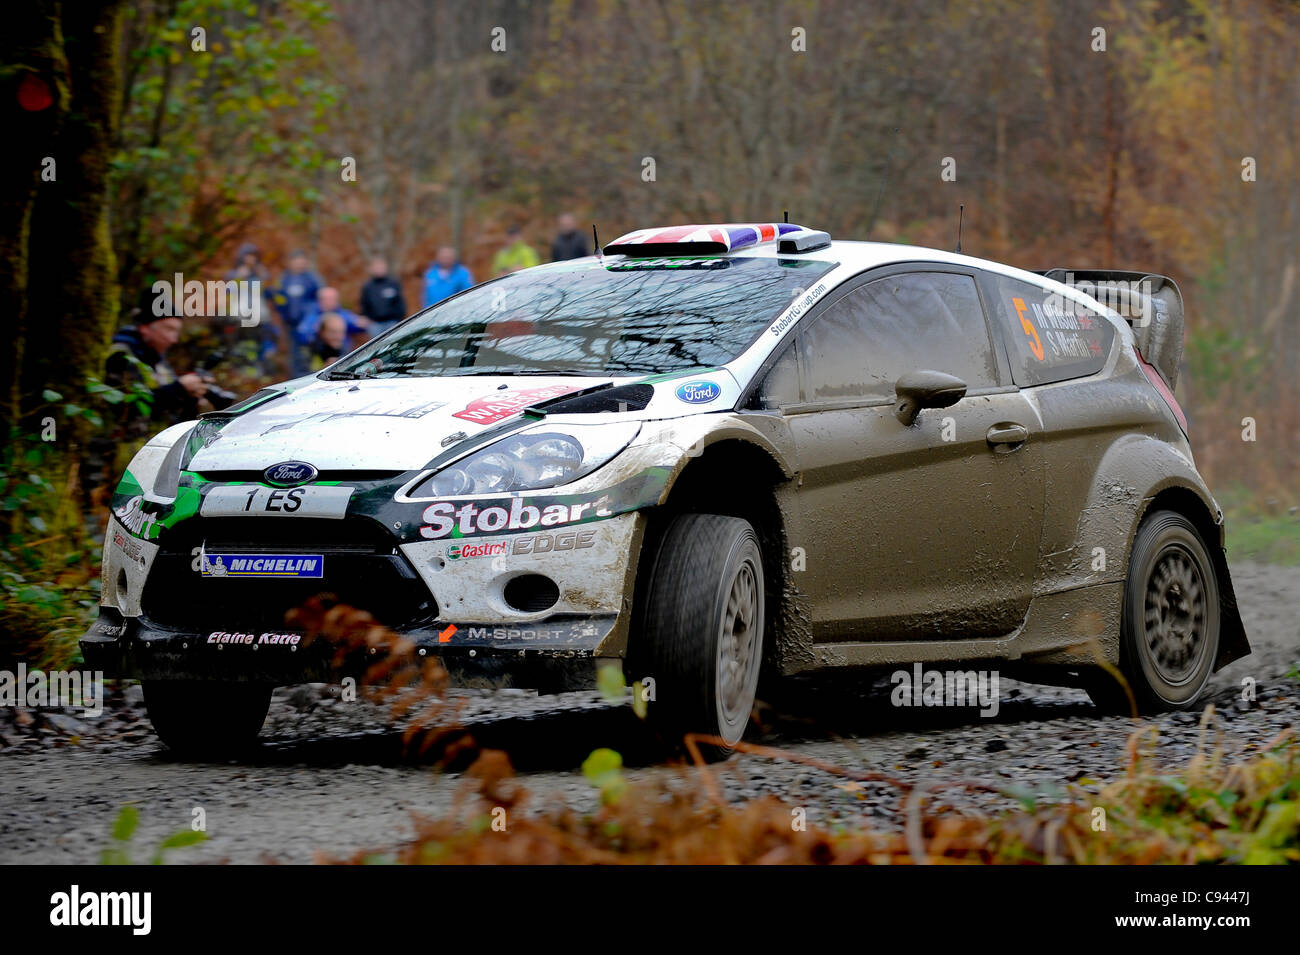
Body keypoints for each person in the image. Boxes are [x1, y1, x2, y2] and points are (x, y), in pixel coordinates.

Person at [271, 251, 322, 376]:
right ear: (291, 262)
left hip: (310, 324)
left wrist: (315, 317)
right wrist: (282, 312)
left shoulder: (312, 278)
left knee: (309, 353)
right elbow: (278, 297)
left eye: (302, 261)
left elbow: (320, 297)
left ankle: (313, 376)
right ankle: (295, 378)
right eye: (297, 261)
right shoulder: (284, 279)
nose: (300, 264)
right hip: (291, 324)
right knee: (294, 353)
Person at [297, 287, 370, 357]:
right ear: (320, 300)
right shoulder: (312, 316)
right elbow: (303, 334)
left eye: (334, 299)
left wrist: (361, 322)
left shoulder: (343, 314)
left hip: (343, 351)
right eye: (328, 299)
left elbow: (359, 324)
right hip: (320, 353)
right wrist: (317, 330)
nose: (331, 302)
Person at [359, 256, 407, 335]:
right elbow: (363, 304)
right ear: (371, 269)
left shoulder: (393, 283)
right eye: (376, 267)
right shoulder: (368, 287)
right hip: (375, 324)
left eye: (381, 267)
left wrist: (400, 318)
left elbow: (400, 302)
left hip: (392, 322)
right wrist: (366, 318)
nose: (379, 269)